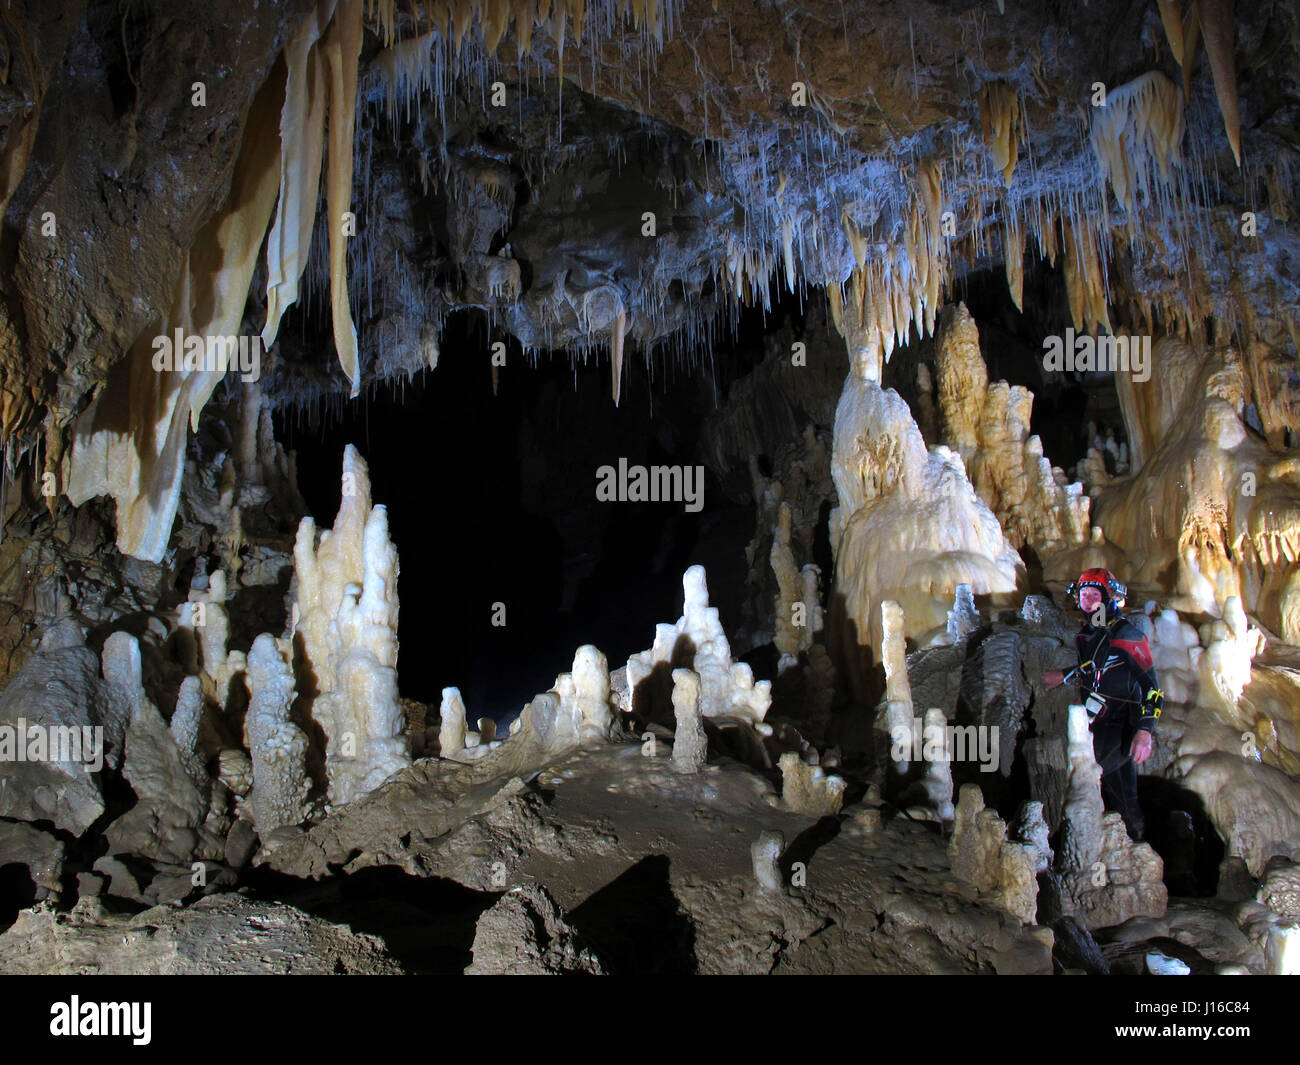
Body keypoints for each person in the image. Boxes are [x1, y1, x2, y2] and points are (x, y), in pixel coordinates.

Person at [1041, 568, 1163, 841]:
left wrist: (1145, 731)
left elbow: (1153, 689)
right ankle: (1133, 844)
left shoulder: (1127, 635)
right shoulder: (1091, 633)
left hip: (1121, 724)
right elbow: (1094, 667)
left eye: (1096, 594)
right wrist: (1065, 675)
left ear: (1110, 598)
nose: (1088, 600)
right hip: (1097, 721)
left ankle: (1081, 845)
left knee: (1083, 778)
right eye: (1084, 594)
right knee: (1121, 794)